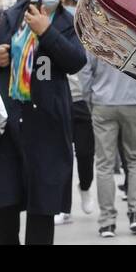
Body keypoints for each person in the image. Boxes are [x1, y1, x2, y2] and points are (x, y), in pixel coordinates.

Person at [0, 0, 87, 245]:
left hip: (46, 131)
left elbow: (76, 61)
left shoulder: (67, 23)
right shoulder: (7, 17)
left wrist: (46, 32)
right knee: (4, 210)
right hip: (4, 130)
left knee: (41, 212)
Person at [80, 51, 136, 238]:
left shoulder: (98, 34)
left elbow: (85, 70)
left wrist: (88, 98)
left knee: (104, 164)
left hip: (103, 101)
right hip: (135, 99)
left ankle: (107, 222)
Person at [56, 52, 95, 227]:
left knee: (85, 153)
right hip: (62, 99)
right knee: (63, 157)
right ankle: (63, 208)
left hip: (83, 101)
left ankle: (85, 186)